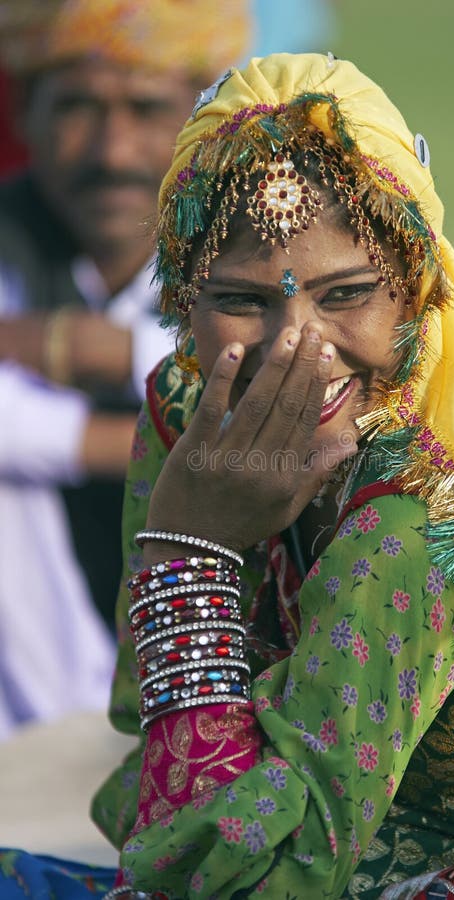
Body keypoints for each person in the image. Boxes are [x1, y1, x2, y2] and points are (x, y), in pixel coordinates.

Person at [2, 51, 454, 899]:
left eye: (348, 294)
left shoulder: (425, 516)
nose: (299, 348)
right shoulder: (189, 411)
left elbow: (263, 883)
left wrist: (191, 551)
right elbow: (152, 742)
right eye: (242, 300)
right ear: (181, 303)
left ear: (417, 287)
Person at [0, 0, 251, 738]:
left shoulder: (263, 246)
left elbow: (337, 400)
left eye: (146, 109)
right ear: (25, 114)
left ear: (206, 116)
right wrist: (207, 432)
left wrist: (103, 353)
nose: (113, 151)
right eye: (77, 106)